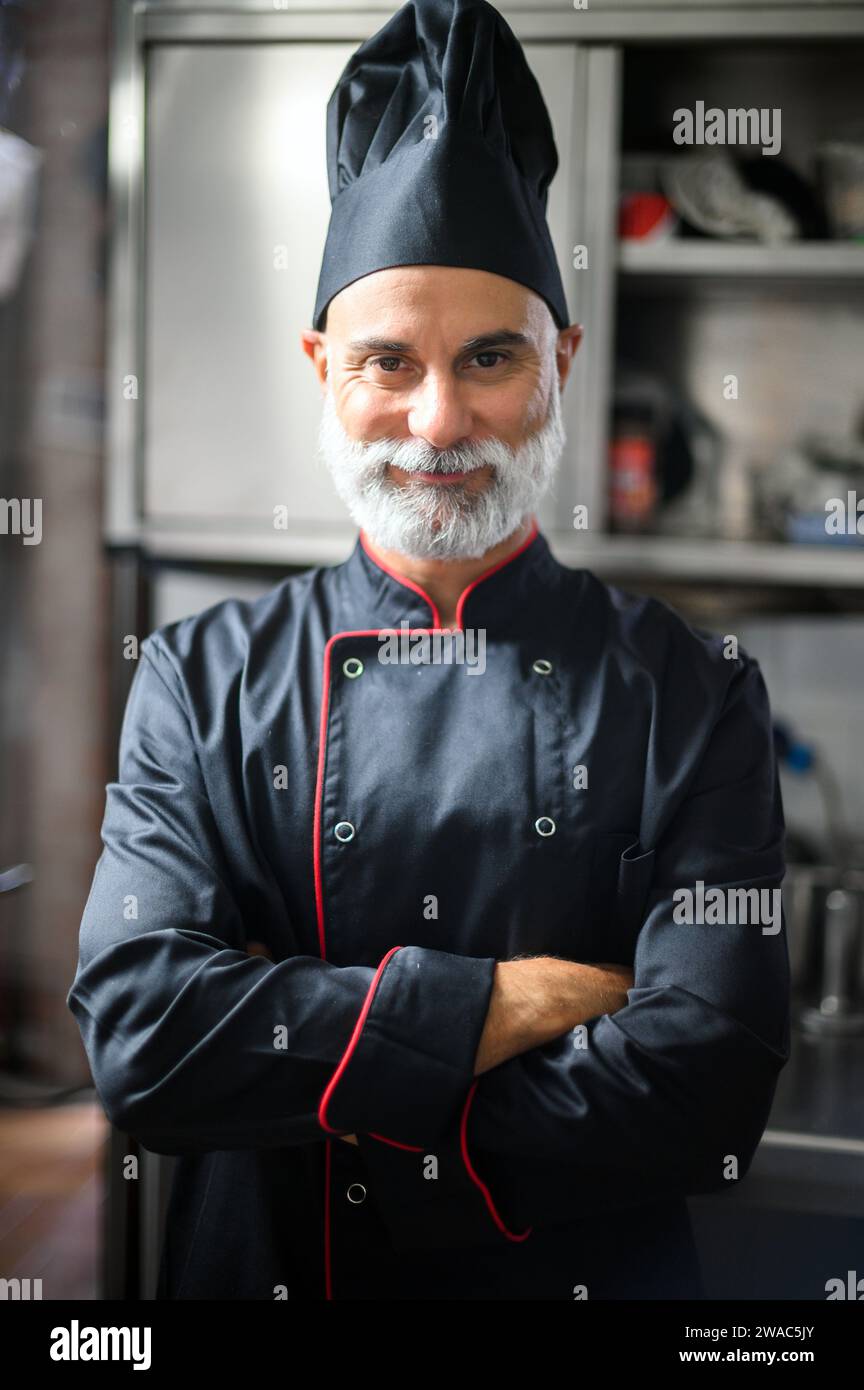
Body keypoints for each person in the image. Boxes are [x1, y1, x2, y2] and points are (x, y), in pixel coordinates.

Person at [68, 0, 790, 1301]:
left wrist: (302, 1075)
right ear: (322, 369)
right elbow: (139, 1038)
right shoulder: (199, 677)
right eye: (387, 360)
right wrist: (501, 1007)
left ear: (562, 363)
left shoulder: (692, 690)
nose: (439, 416)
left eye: (492, 357)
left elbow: (705, 1084)